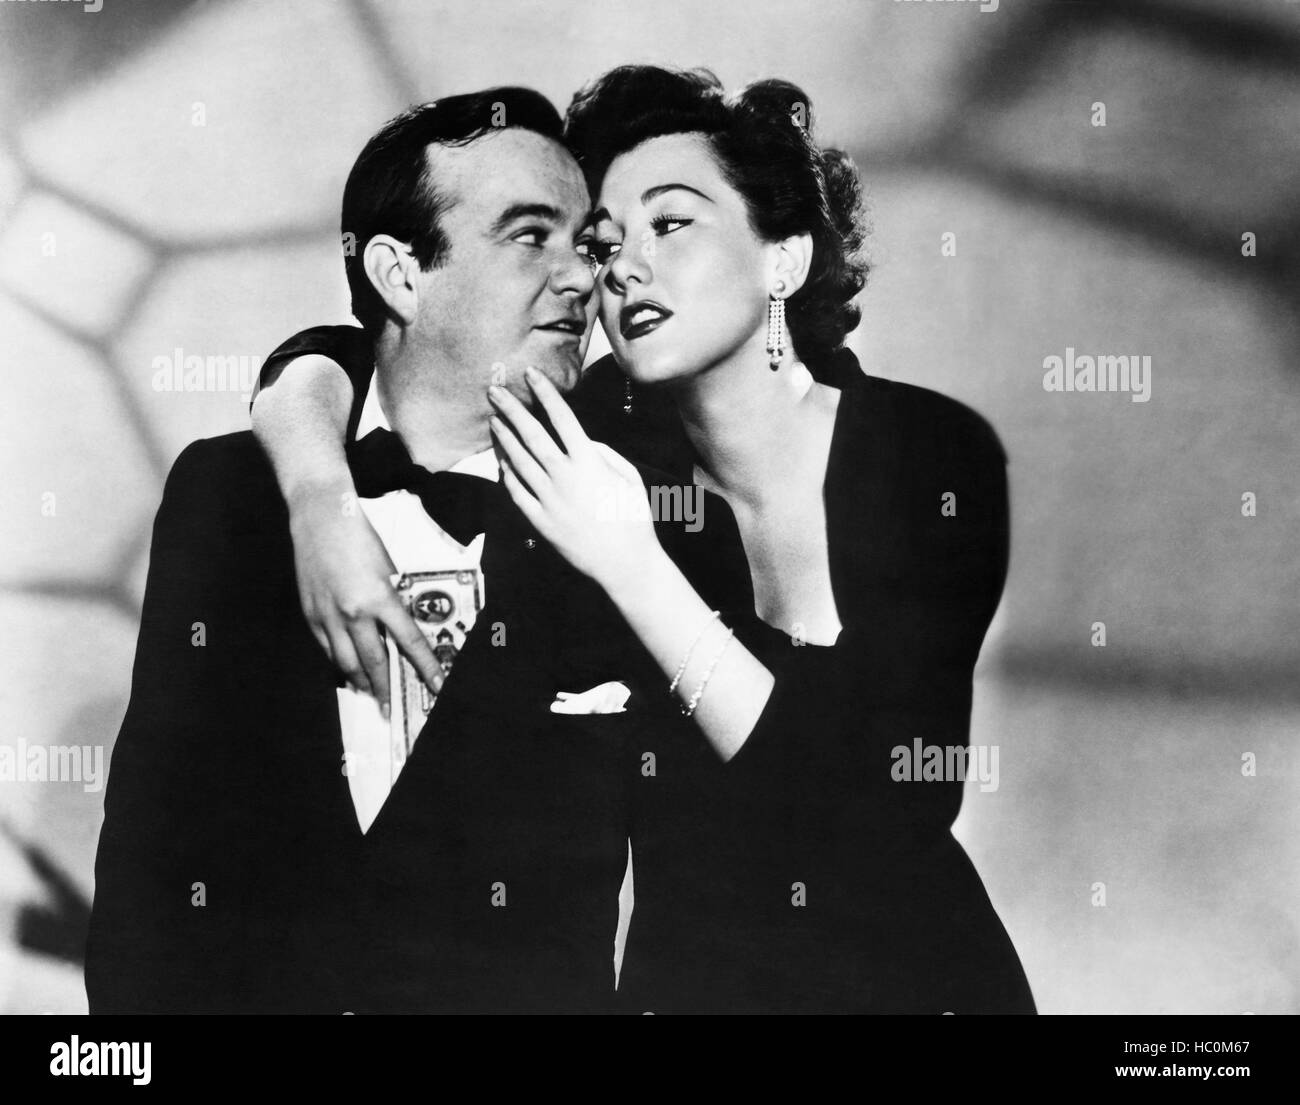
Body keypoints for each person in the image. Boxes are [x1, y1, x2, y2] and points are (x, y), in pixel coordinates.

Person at [250, 67, 1036, 1014]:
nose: (619, 269)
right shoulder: (608, 443)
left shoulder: (930, 455)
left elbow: (878, 809)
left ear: (784, 259)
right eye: (606, 242)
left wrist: (633, 566)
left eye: (670, 223)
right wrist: (319, 497)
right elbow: (358, 347)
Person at [86, 88, 746, 1014]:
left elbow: (713, 908)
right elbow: (151, 865)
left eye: (586, 246)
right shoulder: (232, 495)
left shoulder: (656, 522)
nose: (580, 278)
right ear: (399, 275)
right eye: (530, 236)